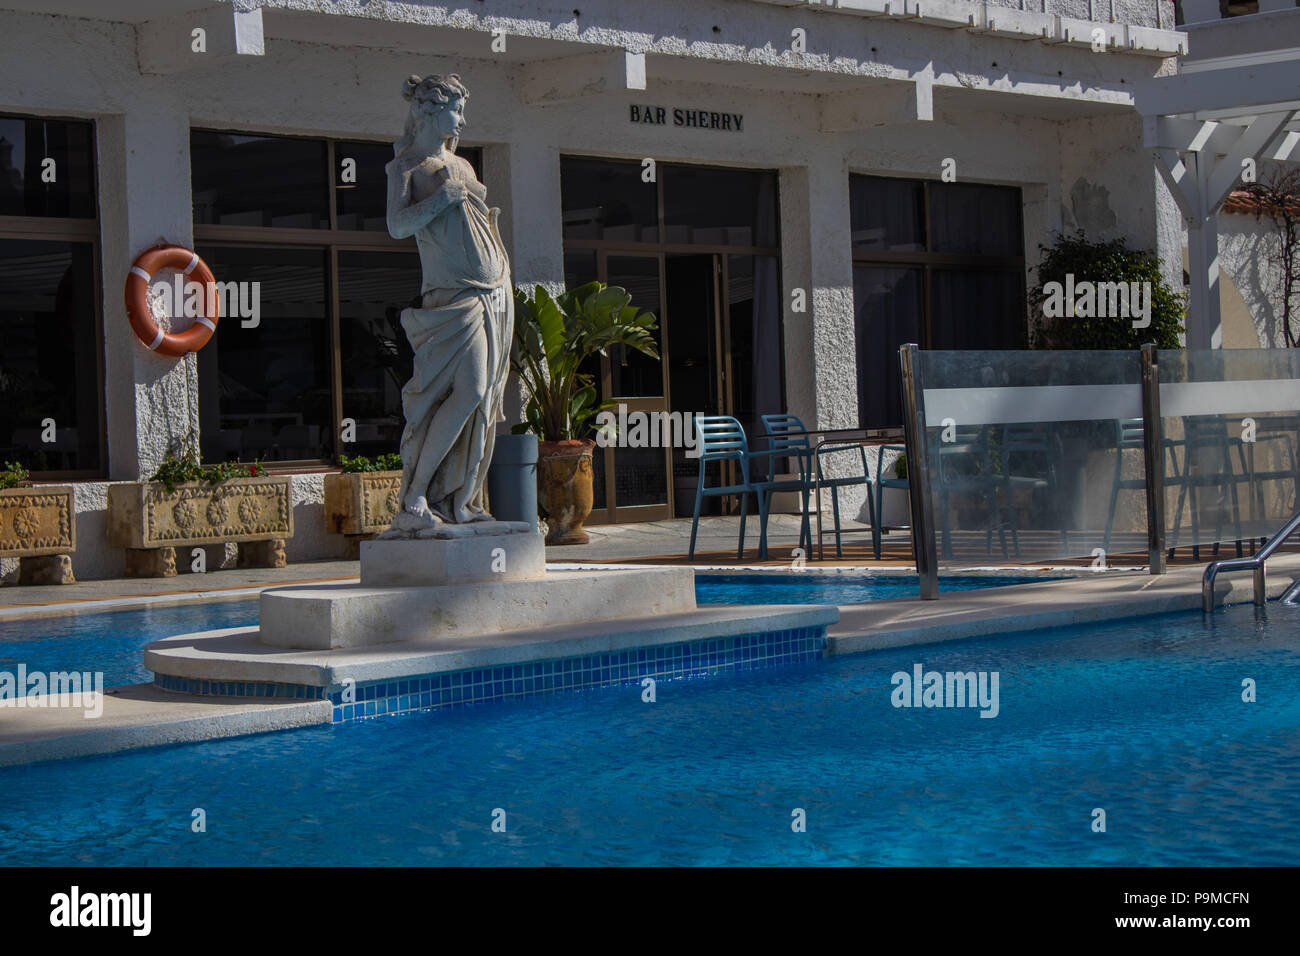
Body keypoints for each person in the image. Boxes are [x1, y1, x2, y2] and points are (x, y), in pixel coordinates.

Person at [384, 73, 513, 530]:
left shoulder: (464, 167)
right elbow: (398, 226)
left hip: (489, 293)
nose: (461, 119)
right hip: (450, 302)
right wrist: (444, 198)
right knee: (467, 392)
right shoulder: (405, 168)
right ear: (430, 111)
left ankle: (463, 500)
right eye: (456, 109)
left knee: (480, 399)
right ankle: (418, 493)